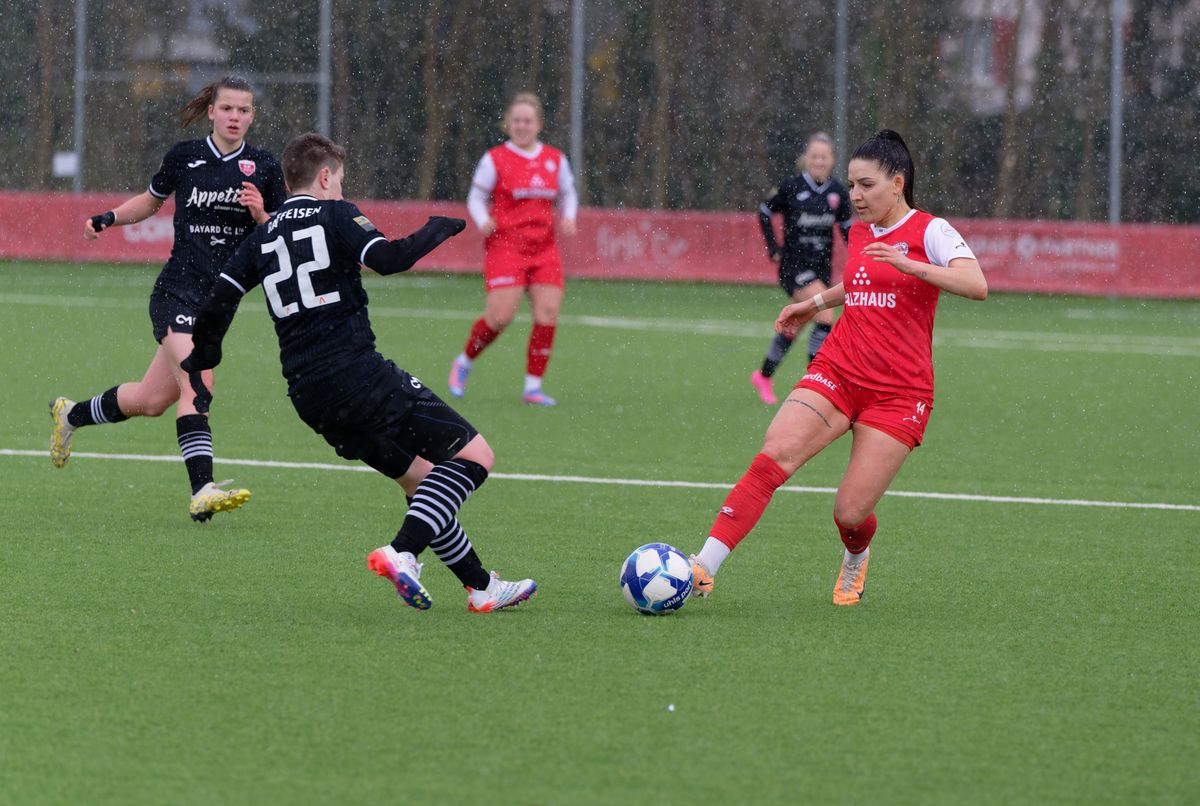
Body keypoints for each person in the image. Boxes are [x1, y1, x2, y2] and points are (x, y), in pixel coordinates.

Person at [181, 132, 537, 613]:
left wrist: (201, 360)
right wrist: (438, 228)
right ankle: (402, 551)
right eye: (340, 180)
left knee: (421, 480)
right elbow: (389, 260)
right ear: (325, 177)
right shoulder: (335, 214)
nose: (342, 189)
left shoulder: (260, 237)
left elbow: (218, 303)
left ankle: (481, 587)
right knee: (475, 456)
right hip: (357, 374)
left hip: (309, 395)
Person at [688, 130, 987, 606]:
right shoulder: (863, 228)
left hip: (899, 394)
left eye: (865, 185)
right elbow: (863, 280)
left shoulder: (930, 230)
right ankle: (702, 567)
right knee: (774, 454)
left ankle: (856, 555)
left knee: (849, 513)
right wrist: (817, 303)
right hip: (839, 369)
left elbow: (976, 284)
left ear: (897, 183)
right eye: (850, 184)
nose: (854, 195)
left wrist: (912, 266)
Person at [49, 75, 285, 521]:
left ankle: (71, 415)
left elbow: (277, 234)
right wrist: (109, 218)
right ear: (211, 111)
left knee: (151, 401)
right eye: (228, 108)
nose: (235, 116)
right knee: (199, 383)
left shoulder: (265, 167)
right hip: (176, 291)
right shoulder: (185, 158)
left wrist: (261, 214)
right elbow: (151, 202)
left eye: (244, 110)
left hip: (217, 305)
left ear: (253, 116)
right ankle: (203, 490)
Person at [447, 92, 578, 406]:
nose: (522, 126)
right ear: (508, 124)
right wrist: (482, 220)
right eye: (517, 120)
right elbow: (475, 198)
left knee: (547, 314)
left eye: (528, 121)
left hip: (544, 248)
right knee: (500, 317)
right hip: (506, 246)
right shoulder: (495, 159)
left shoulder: (555, 159)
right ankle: (464, 361)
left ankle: (532, 388)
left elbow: (569, 194)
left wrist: (569, 218)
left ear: (539, 125)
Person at [750, 132, 852, 405]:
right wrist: (773, 247)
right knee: (826, 312)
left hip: (821, 269)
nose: (819, 161)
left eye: (824, 157)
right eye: (814, 156)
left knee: (796, 323)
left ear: (832, 161)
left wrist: (859, 255)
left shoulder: (838, 193)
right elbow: (764, 211)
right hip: (794, 267)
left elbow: (846, 229)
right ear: (806, 159)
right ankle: (816, 382)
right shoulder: (791, 187)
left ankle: (764, 374)